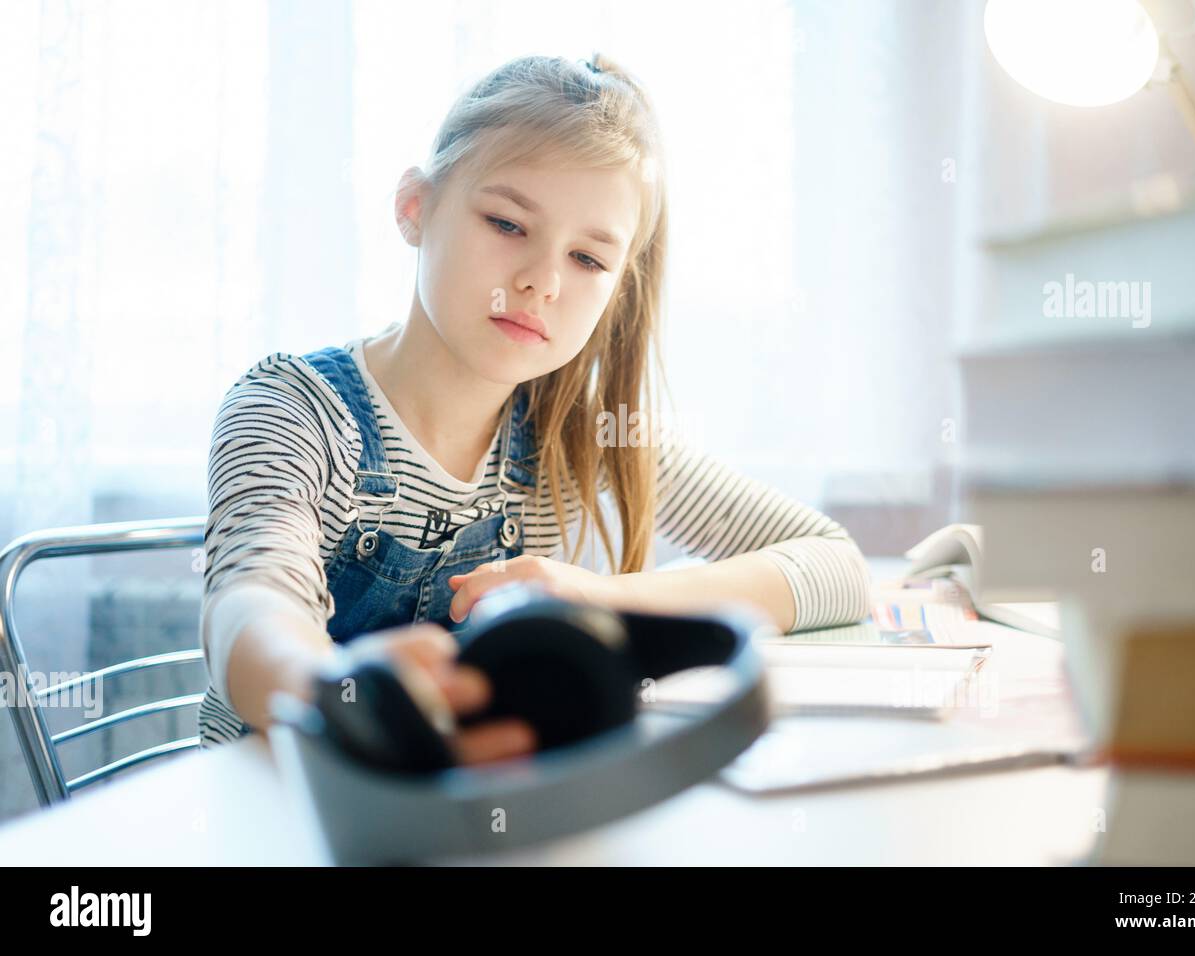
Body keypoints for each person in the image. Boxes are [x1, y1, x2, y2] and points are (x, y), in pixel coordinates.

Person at [197, 53, 872, 761]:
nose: (541, 282)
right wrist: (350, 698)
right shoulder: (292, 410)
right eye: (507, 224)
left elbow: (836, 566)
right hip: (275, 812)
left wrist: (598, 596)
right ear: (415, 208)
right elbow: (249, 611)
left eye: (587, 260)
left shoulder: (584, 434)